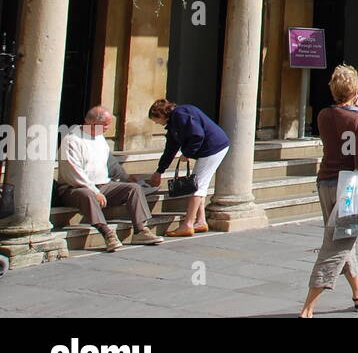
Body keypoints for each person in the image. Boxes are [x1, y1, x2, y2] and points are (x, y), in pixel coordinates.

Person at [299, 64, 358, 318]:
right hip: (348, 190)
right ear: (356, 90)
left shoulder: (324, 115)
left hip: (325, 182)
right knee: (336, 245)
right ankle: (307, 309)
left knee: (341, 238)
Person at [56, 107, 164, 251]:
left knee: (133, 189)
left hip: (103, 185)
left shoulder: (99, 137)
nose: (108, 128)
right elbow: (74, 173)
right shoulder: (71, 140)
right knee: (87, 195)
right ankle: (107, 234)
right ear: (92, 123)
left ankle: (140, 230)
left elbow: (109, 162)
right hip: (75, 188)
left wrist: (125, 177)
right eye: (105, 124)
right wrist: (94, 191)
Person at [146, 99, 229, 237]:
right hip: (212, 148)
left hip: (213, 147)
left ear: (160, 115)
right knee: (199, 185)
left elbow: (197, 135)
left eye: (156, 120)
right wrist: (160, 171)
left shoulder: (180, 114)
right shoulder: (173, 122)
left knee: (197, 187)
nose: (156, 123)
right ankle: (201, 221)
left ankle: (188, 224)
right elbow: (170, 149)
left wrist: (187, 153)